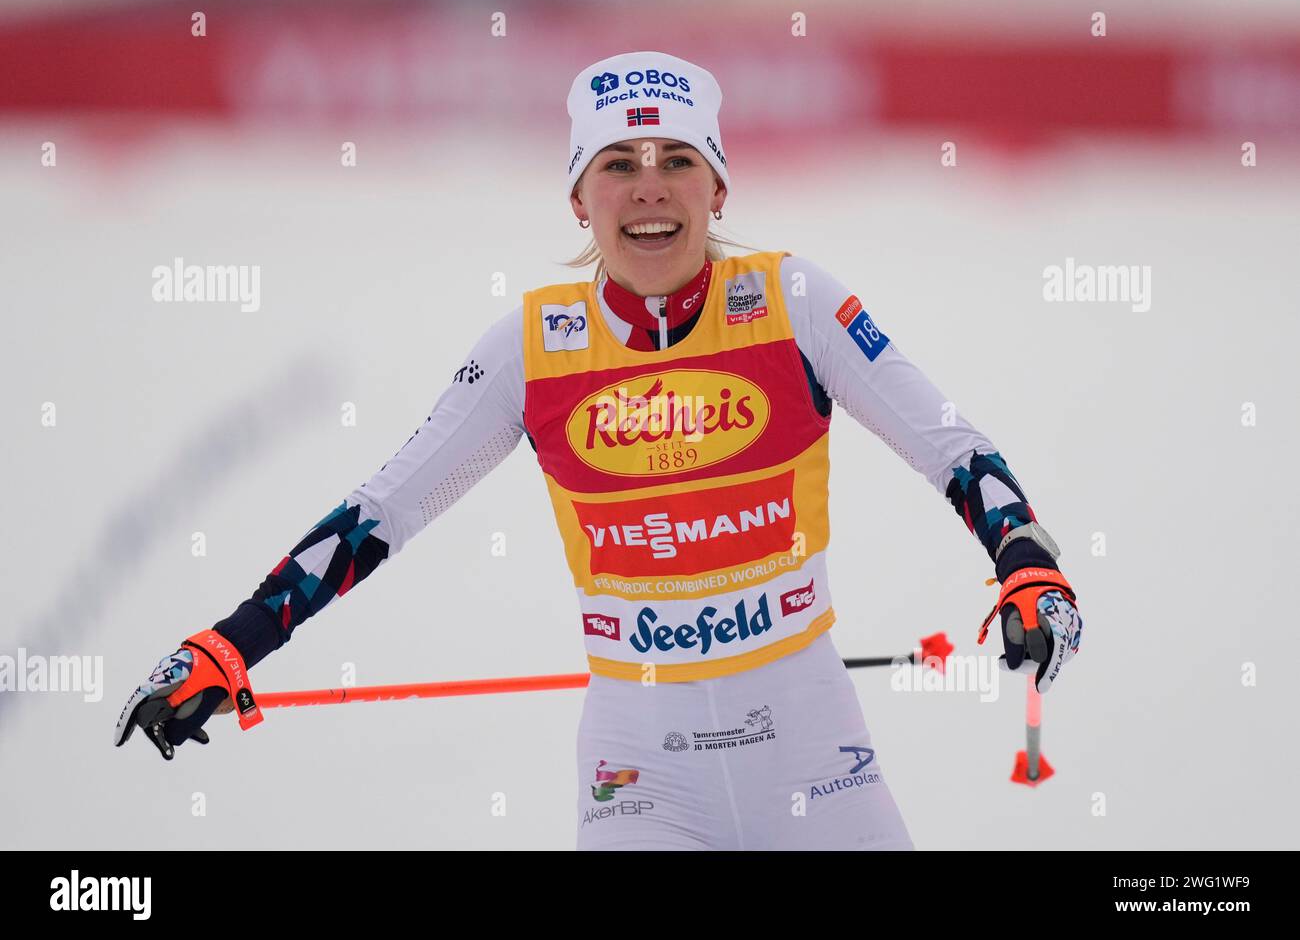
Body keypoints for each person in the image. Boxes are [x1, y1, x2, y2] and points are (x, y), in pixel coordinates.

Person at [115, 51, 1083, 850]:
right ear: (579, 199)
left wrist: (1027, 566)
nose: (650, 187)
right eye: (618, 164)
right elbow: (379, 512)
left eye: (675, 160)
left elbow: (952, 447)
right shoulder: (530, 350)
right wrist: (229, 643)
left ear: (718, 184)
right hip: (640, 779)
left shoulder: (793, 304)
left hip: (815, 762)